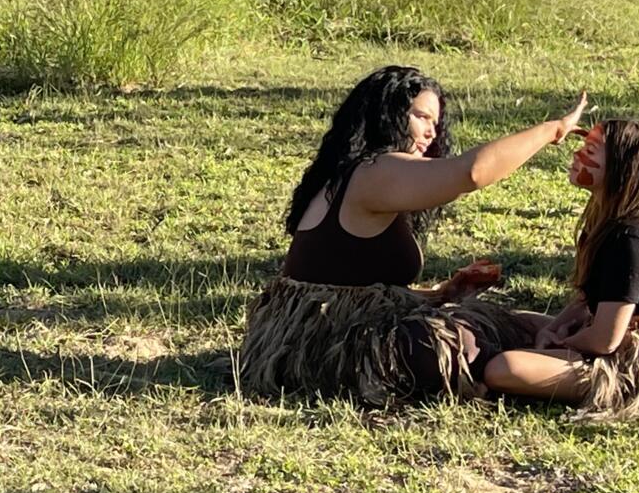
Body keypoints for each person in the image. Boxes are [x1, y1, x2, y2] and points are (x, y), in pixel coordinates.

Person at [240, 66, 589, 406]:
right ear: (386, 115)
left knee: (518, 322)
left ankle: (587, 349)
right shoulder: (374, 172)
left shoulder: (352, 174)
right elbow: (471, 172)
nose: (431, 133)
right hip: (336, 352)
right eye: (421, 117)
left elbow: (348, 286)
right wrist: (552, 130)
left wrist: (438, 295)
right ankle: (598, 377)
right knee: (464, 344)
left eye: (435, 123)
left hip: (316, 341)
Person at [483, 118, 639, 415]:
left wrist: (561, 341)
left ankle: (608, 385)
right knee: (519, 321)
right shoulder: (607, 221)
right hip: (615, 335)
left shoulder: (633, 237)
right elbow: (592, 297)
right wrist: (557, 326)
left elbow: (605, 339)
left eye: (591, 150)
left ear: (620, 168)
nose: (577, 155)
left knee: (503, 368)